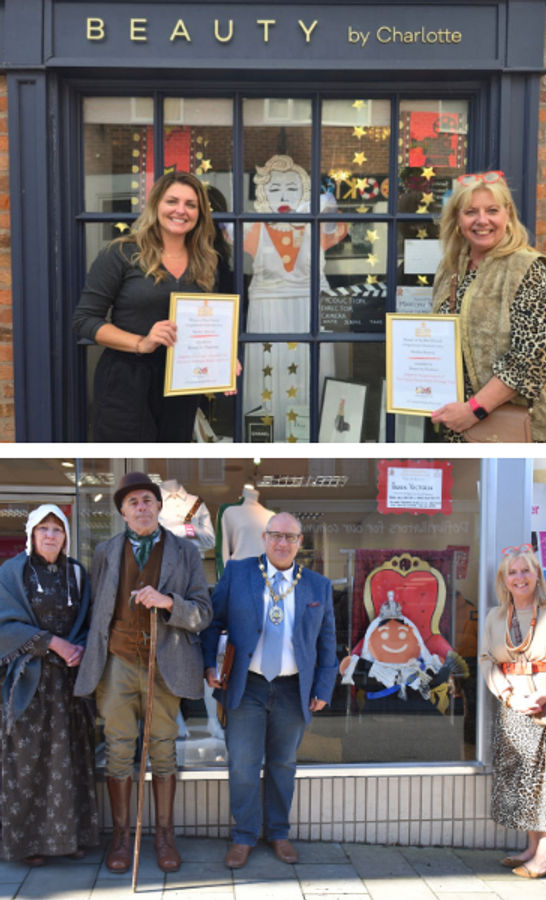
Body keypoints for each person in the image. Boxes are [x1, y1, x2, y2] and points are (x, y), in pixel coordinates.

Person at [74, 472, 212, 874]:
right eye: (133, 503)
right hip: (116, 663)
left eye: (148, 501)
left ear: (158, 507)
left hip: (164, 664)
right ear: (122, 512)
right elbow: (97, 608)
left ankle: (165, 836)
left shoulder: (185, 553)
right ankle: (121, 836)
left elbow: (202, 614)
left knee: (163, 749)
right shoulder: (105, 551)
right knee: (118, 749)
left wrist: (169, 602)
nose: (142, 508)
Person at [202, 513, 336, 869]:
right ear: (264, 538)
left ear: (300, 543)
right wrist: (209, 666)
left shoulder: (317, 586)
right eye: (276, 535)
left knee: (283, 763)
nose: (282, 543)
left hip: (293, 689)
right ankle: (244, 836)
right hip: (248, 686)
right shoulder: (238, 572)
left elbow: (327, 642)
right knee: (244, 764)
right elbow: (213, 623)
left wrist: (323, 685)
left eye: (290, 537)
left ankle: (278, 832)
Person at [73, 171, 230, 442]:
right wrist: (141, 342)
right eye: (172, 201)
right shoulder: (122, 253)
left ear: (200, 213)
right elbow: (84, 319)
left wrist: (222, 358)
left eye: (190, 205)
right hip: (126, 379)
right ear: (156, 205)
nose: (181, 210)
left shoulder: (206, 262)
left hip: (181, 385)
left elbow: (207, 323)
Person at [429, 172, 546, 442]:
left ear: (507, 215)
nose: (482, 220)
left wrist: (473, 410)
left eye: (492, 210)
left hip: (512, 426)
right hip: (458, 424)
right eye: (471, 211)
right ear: (458, 220)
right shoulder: (449, 268)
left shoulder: (526, 267)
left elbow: (531, 358)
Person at [480, 548, 546, 878]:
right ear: (504, 580)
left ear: (537, 574)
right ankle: (531, 846)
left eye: (525, 570)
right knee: (523, 779)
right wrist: (509, 695)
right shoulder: (495, 617)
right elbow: (487, 660)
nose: (520, 577)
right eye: (512, 572)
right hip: (515, 707)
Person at [0, 505, 97, 865]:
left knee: (70, 759)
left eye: (58, 529)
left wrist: (83, 647)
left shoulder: (77, 573)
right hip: (29, 682)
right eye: (44, 529)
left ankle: (68, 839)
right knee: (28, 760)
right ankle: (26, 845)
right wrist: (52, 643)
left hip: (69, 685)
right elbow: (3, 625)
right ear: (31, 534)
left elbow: (90, 618)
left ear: (67, 536)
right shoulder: (12, 573)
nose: (51, 535)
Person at [243, 155, 347, 442]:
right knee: (268, 376)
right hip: (268, 315)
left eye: (292, 189)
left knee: (310, 376)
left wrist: (320, 204)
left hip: (308, 312)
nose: (284, 197)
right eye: (274, 190)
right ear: (263, 193)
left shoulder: (319, 224)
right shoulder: (250, 229)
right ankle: (269, 437)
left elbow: (332, 211)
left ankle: (310, 436)